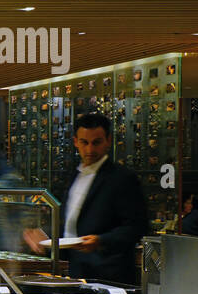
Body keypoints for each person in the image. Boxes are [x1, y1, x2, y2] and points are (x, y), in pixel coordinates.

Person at [23, 112, 148, 284]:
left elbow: (138, 226)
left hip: (109, 276)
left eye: (96, 142)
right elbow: (71, 225)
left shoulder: (122, 178)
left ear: (108, 141)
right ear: (75, 141)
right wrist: (45, 236)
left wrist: (101, 240)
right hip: (76, 270)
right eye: (84, 142)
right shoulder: (73, 175)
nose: (90, 150)